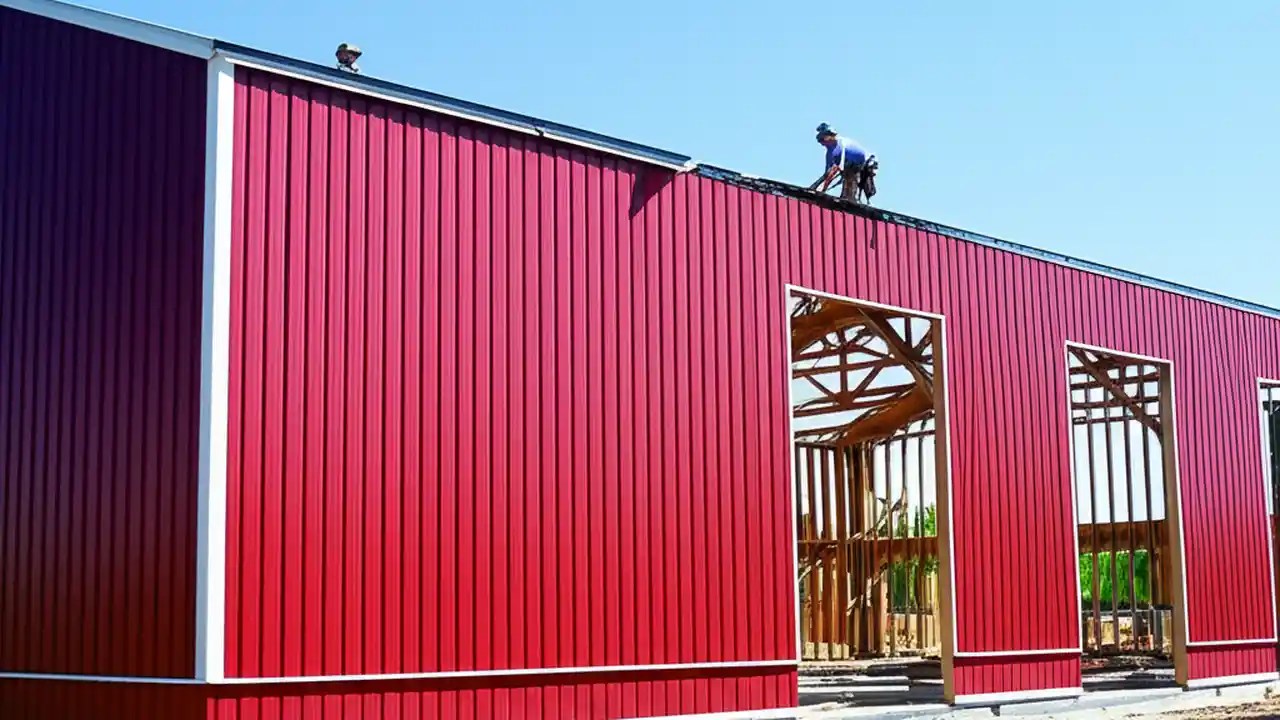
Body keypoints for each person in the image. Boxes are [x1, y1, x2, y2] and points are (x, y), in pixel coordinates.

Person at [811, 123, 872, 202]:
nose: (822, 143)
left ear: (829, 137)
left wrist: (821, 190)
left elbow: (834, 171)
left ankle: (851, 201)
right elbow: (827, 173)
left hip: (861, 165)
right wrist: (815, 186)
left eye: (822, 140)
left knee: (849, 192)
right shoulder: (830, 152)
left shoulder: (840, 146)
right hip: (849, 165)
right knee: (845, 192)